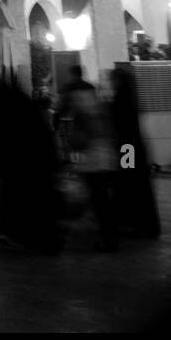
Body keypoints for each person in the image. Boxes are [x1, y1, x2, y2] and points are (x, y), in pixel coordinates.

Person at [0, 65, 62, 253]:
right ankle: (42, 238)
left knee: (26, 198)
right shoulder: (16, 101)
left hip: (24, 162)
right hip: (36, 158)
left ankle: (33, 238)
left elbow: (2, 138)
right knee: (34, 198)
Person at [57, 66, 118, 251]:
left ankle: (107, 239)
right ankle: (106, 235)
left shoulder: (75, 99)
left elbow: (80, 138)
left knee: (96, 198)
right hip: (105, 158)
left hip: (93, 160)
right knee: (99, 197)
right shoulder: (96, 101)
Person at [108, 67, 160, 239]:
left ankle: (132, 221)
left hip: (126, 148)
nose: (111, 83)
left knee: (128, 180)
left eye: (113, 80)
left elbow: (119, 125)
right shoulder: (130, 97)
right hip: (133, 146)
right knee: (136, 183)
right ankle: (140, 223)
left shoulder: (120, 99)